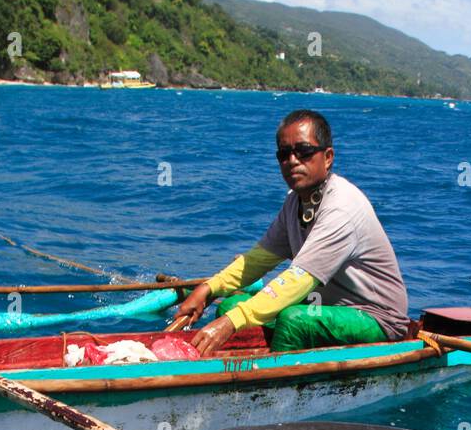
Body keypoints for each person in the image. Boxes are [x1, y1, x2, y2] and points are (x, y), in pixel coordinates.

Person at [170, 109, 409, 356]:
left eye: (304, 151)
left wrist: (230, 324)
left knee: (293, 321)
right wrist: (209, 289)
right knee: (232, 305)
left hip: (375, 318)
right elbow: (257, 260)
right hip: (320, 307)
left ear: (328, 157)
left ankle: (267, 391)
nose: (293, 161)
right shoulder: (294, 202)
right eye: (284, 154)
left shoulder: (343, 207)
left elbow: (299, 279)